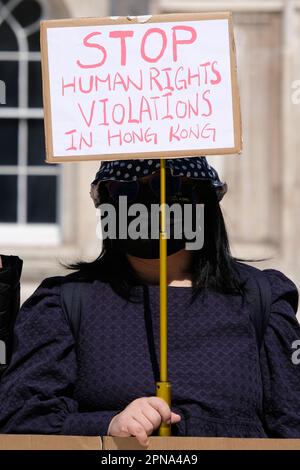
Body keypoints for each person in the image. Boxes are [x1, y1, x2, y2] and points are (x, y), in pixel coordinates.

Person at [0, 157, 299, 447]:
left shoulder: (262, 299)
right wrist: (107, 426)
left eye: (163, 186)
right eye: (124, 189)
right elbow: (19, 417)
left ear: (201, 198)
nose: (147, 204)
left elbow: (292, 423)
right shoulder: (63, 305)